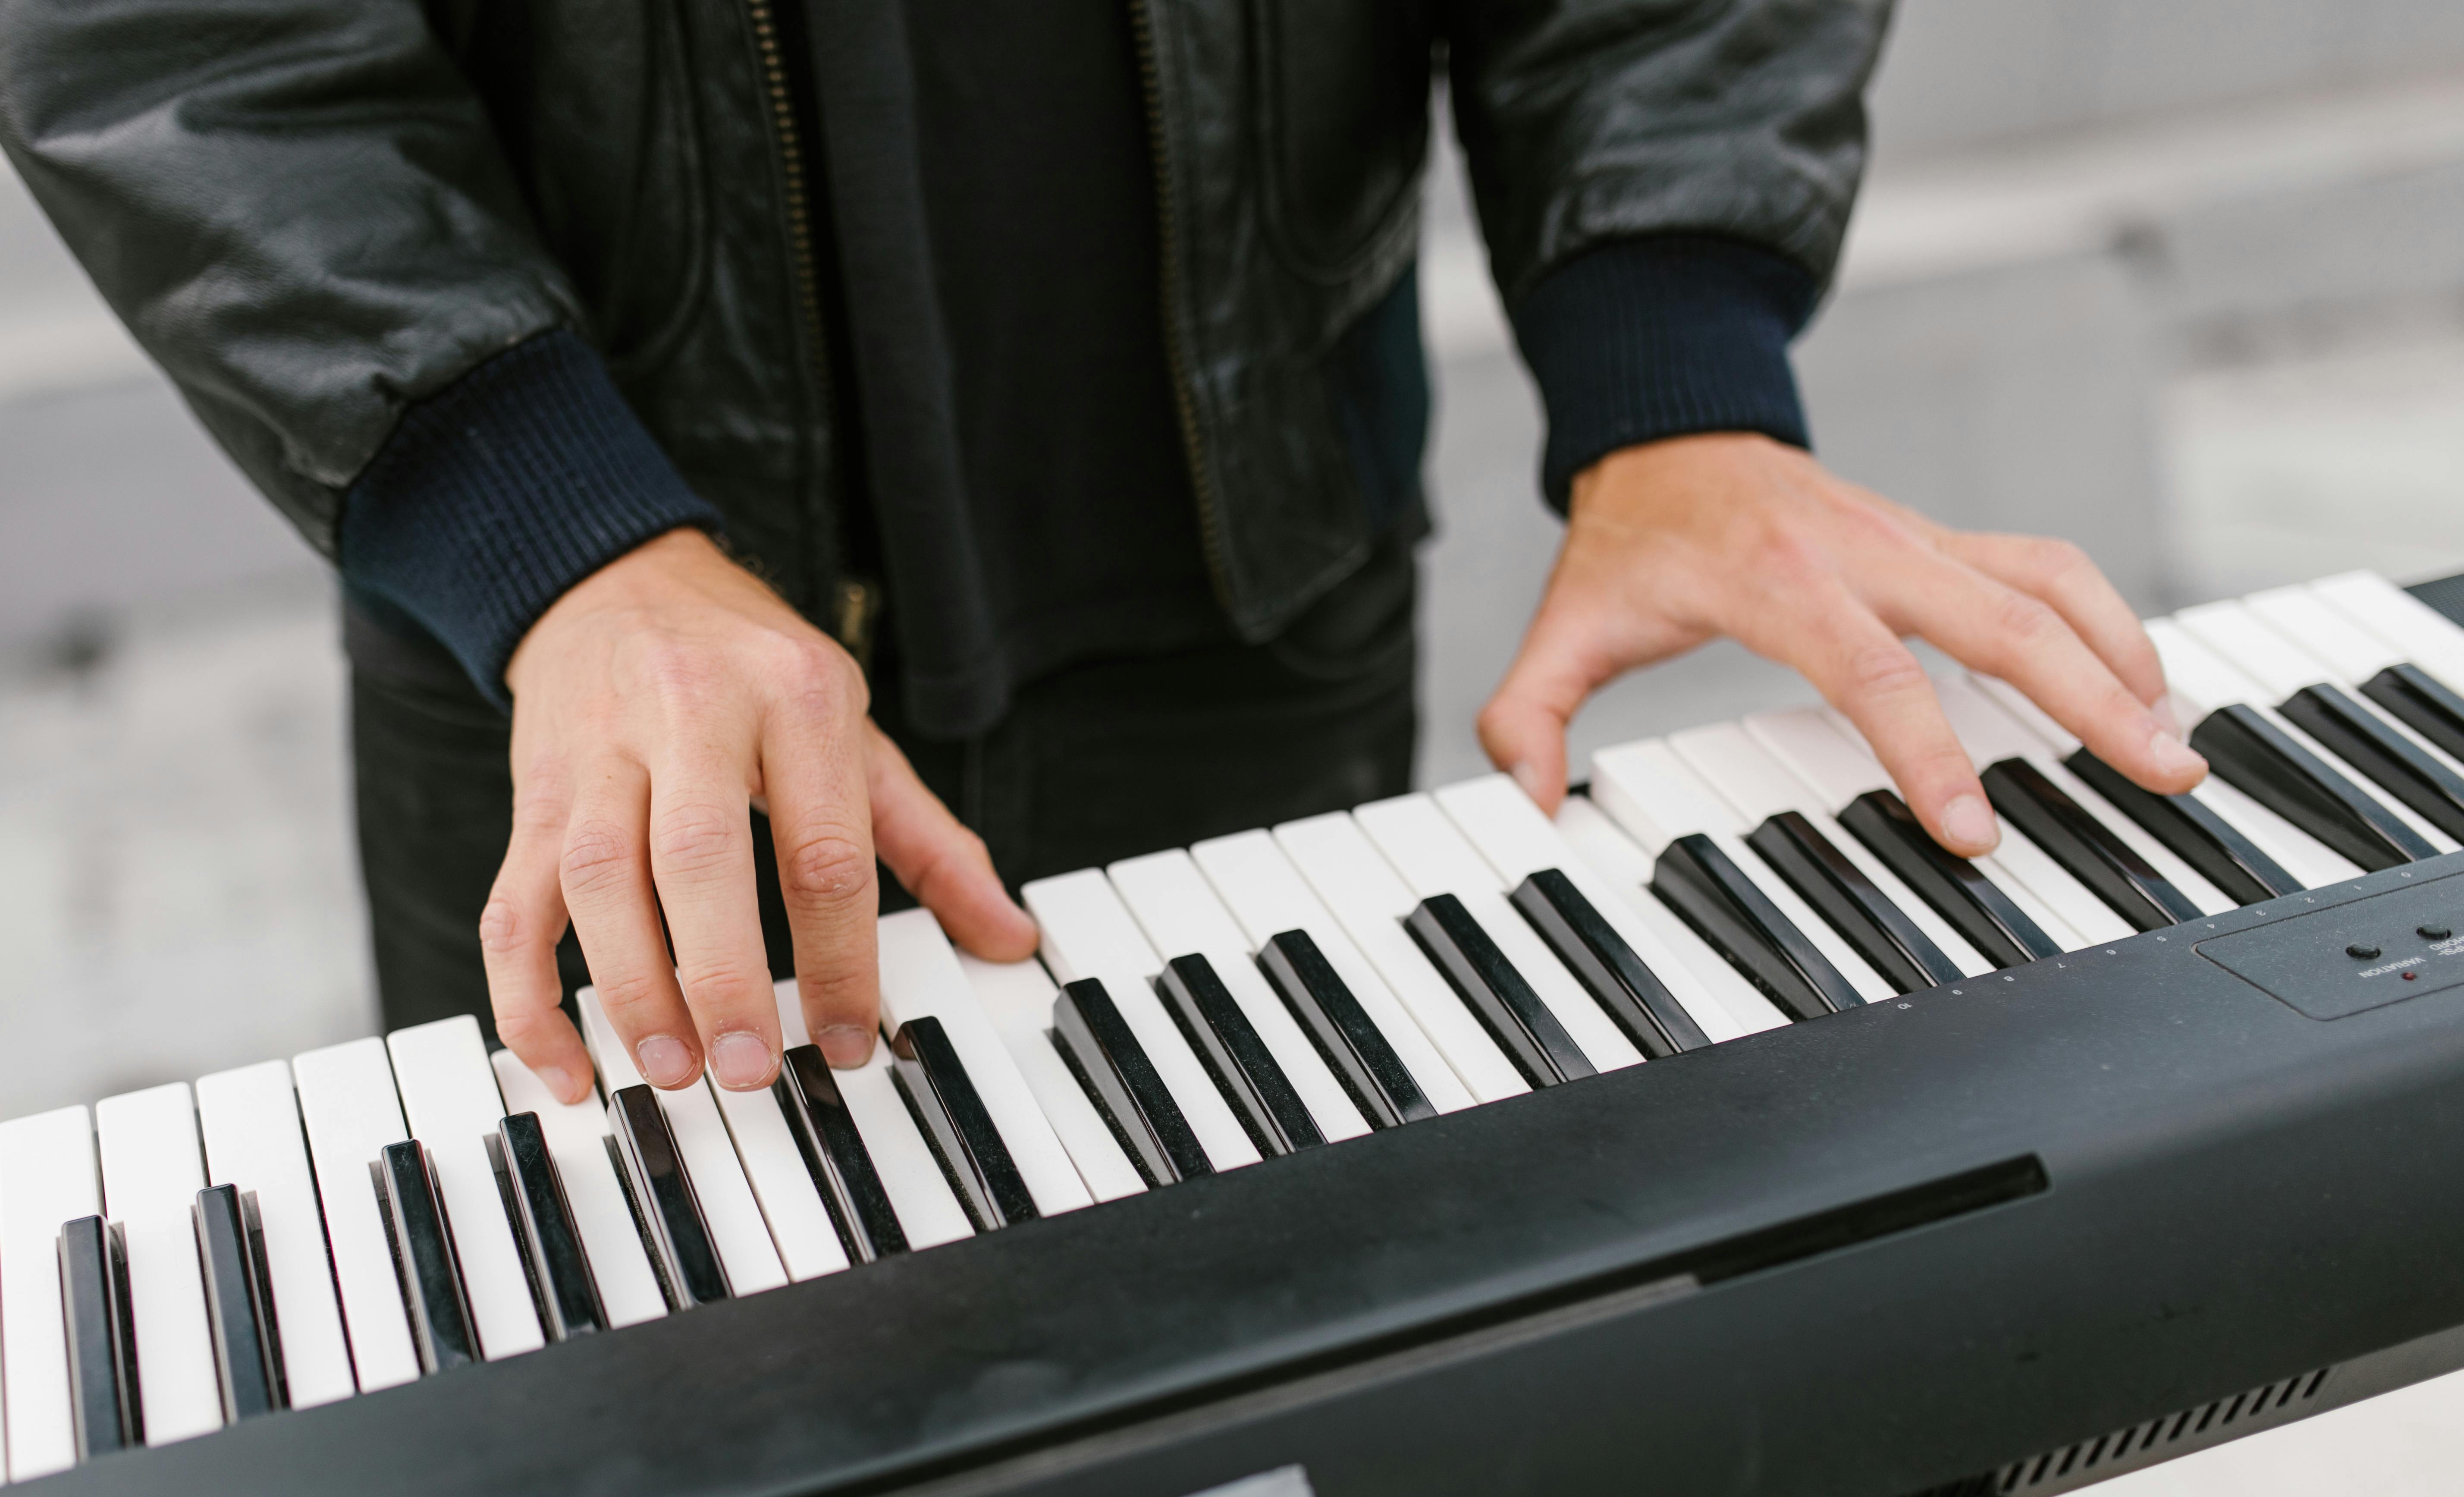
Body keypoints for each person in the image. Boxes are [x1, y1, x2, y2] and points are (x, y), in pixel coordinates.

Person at [0, 0, 2205, 1112]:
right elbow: (197, 36)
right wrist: (540, 526)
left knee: (1324, 1465)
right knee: (680, 1487)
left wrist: (1675, 372)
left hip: (1254, 596)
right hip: (607, 674)